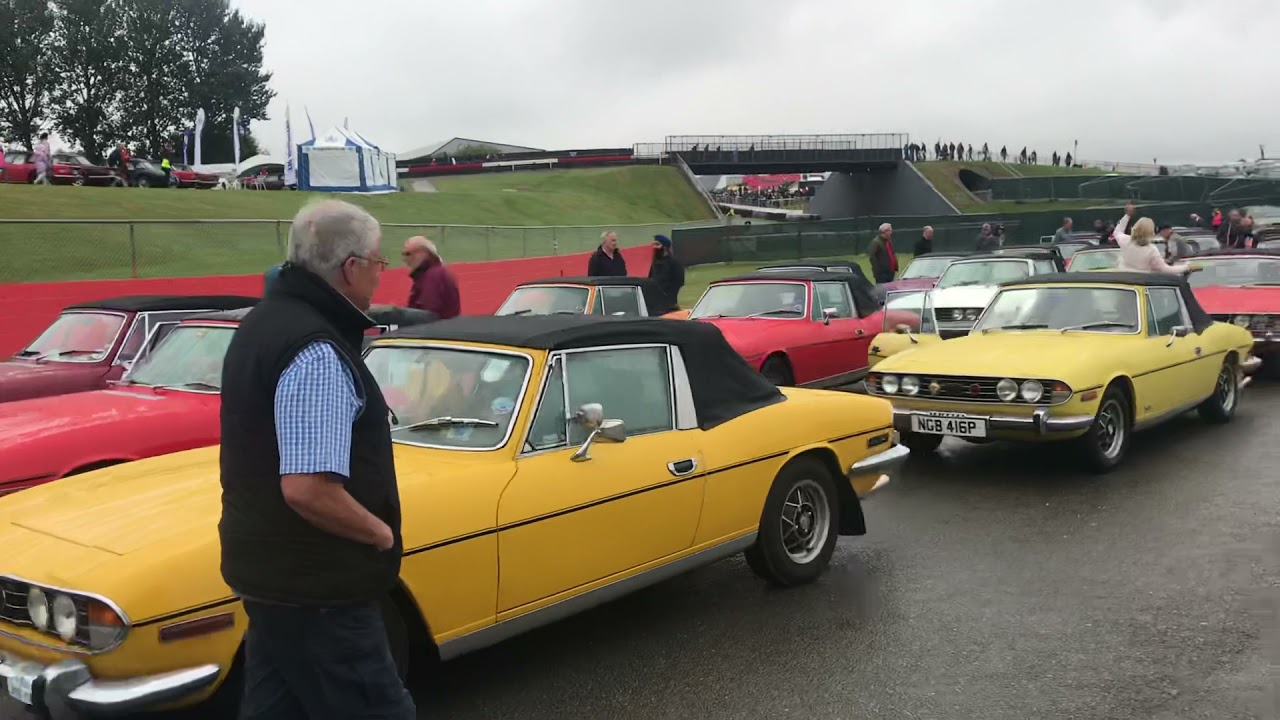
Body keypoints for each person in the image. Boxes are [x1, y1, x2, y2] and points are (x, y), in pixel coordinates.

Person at [218, 199, 415, 719]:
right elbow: (307, 488)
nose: (380, 275)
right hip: (320, 587)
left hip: (270, 573)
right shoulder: (316, 350)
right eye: (378, 263)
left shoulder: (261, 323)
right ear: (350, 269)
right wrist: (380, 534)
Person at [404, 235, 461, 319]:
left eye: (408, 254)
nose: (405, 259)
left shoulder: (433, 277)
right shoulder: (431, 274)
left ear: (422, 253)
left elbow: (427, 315)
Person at [1116, 216, 1192, 275]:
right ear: (1151, 232)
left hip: (1122, 279)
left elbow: (1117, 231)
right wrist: (1185, 267)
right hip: (1140, 281)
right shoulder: (1151, 249)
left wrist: (1126, 216)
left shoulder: (1124, 240)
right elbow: (1165, 269)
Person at [647, 234, 684, 312]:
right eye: (654, 244)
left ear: (665, 247)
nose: (654, 247)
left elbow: (679, 281)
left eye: (657, 244)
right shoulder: (654, 262)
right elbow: (650, 279)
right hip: (655, 303)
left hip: (670, 303)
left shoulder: (674, 263)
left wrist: (669, 297)